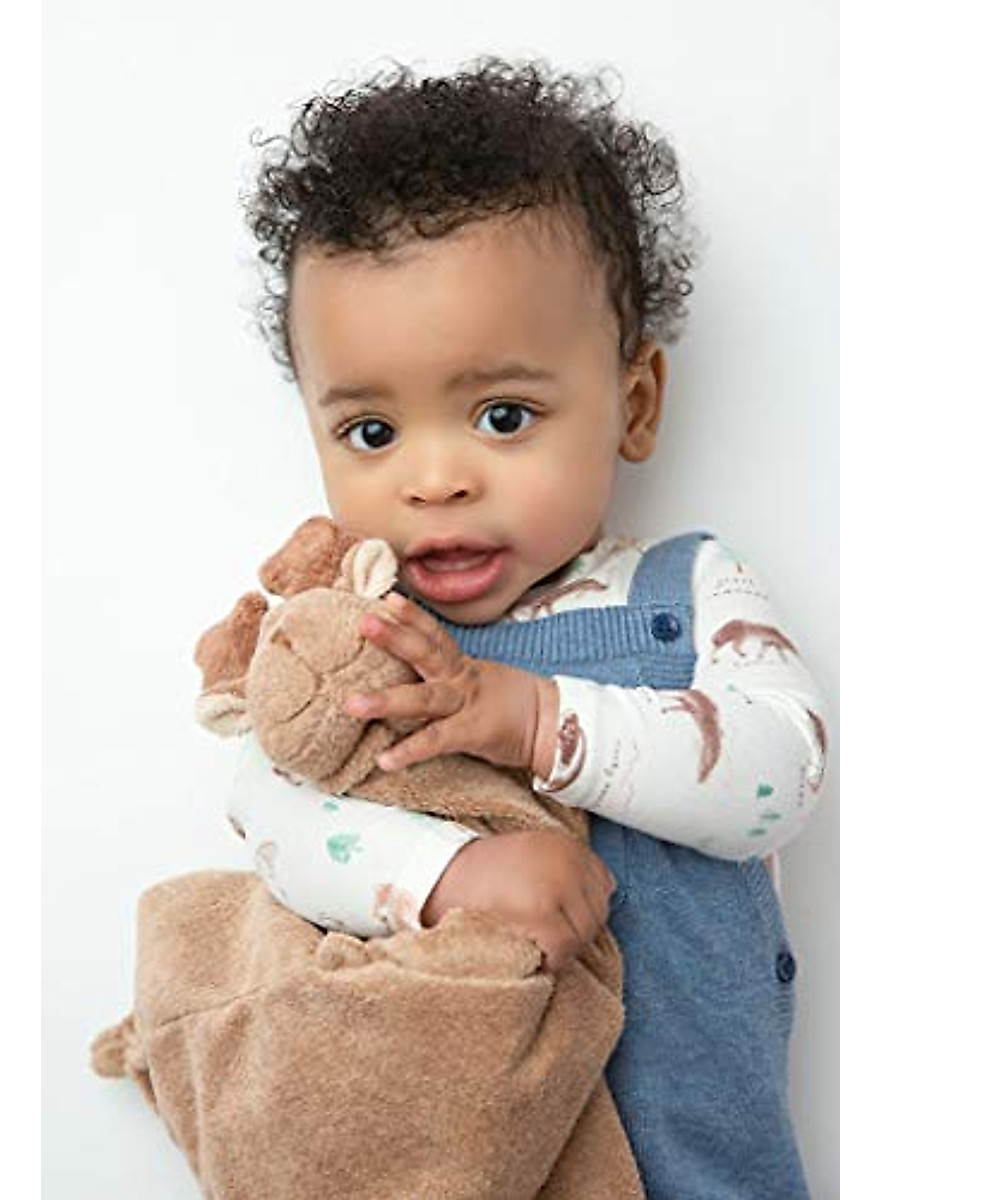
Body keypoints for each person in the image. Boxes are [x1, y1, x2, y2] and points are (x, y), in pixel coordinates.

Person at [228, 56, 827, 1199]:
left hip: (697, 1161)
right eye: (371, 433)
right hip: (462, 1156)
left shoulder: (687, 591)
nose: (435, 479)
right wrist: (442, 874)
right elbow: (266, 810)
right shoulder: (355, 637)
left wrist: (537, 721)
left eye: (503, 415)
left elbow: (778, 778)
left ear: (633, 405)